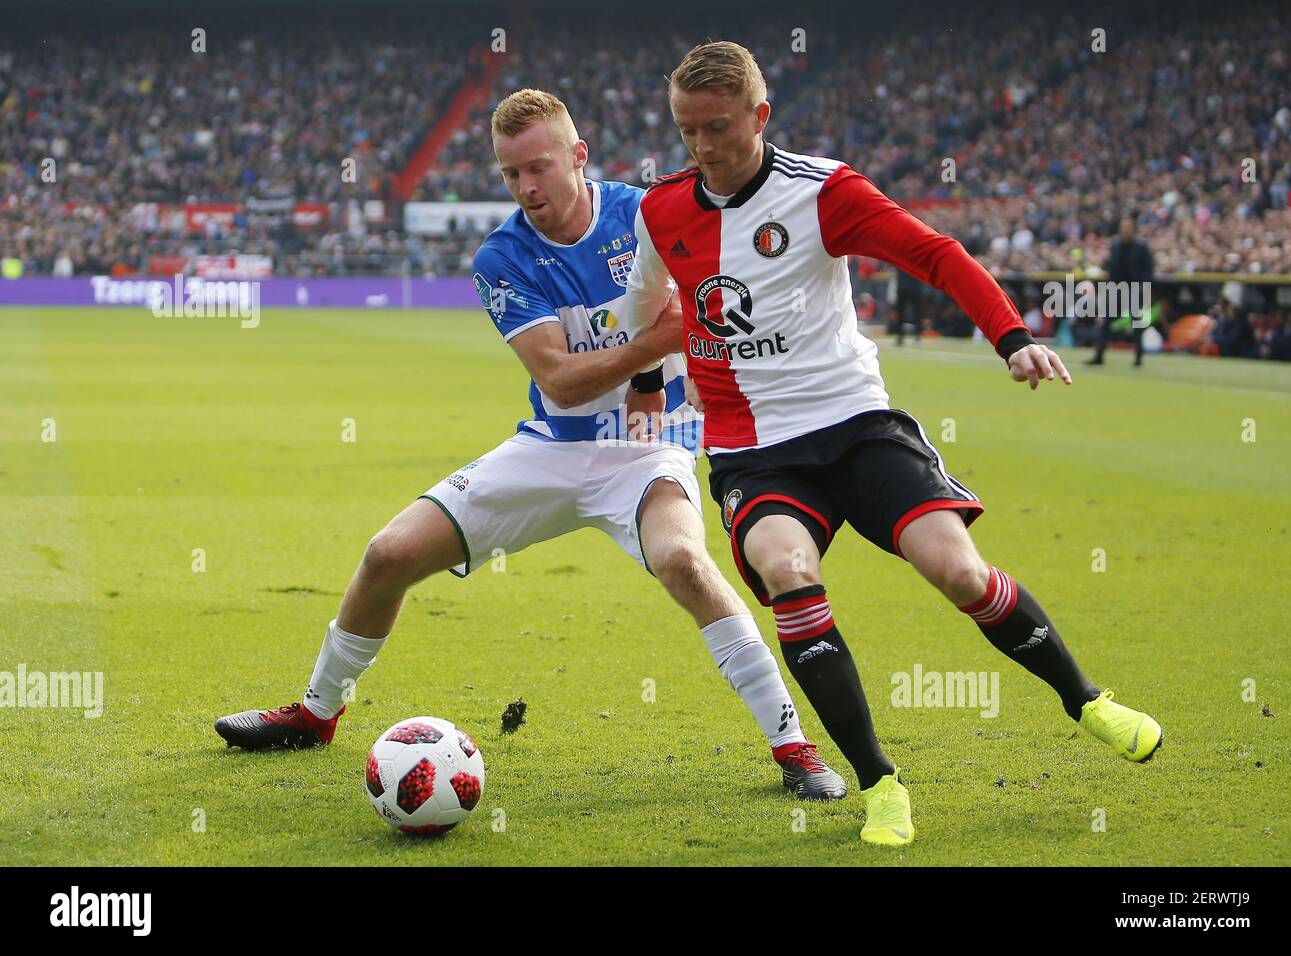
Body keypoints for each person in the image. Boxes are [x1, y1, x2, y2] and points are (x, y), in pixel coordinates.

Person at [214, 89, 847, 801]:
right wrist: (659, 342)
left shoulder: (647, 214)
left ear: (578, 156)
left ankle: (793, 745)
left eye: (538, 168)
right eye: (510, 174)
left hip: (650, 445)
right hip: (552, 444)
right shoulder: (503, 256)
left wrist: (676, 360)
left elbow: (712, 306)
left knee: (682, 561)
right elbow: (564, 381)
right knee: (388, 553)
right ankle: (317, 712)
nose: (526, 188)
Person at [623, 41, 1163, 845]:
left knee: (958, 571)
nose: (702, 148)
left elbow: (935, 255)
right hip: (753, 450)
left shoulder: (826, 191)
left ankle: (1087, 700)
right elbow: (651, 301)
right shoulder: (661, 208)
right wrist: (650, 380)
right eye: (686, 130)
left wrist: (1011, 337)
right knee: (788, 571)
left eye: (718, 128)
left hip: (857, 425)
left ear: (761, 117)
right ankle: (879, 782)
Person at [1088, 215, 1154, 366]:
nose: (1125, 230)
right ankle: (1099, 355)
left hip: (1134, 289)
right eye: (1123, 227)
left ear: (1133, 229)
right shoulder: (1115, 245)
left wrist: (1143, 287)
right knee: (1106, 324)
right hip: (1117, 289)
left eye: (1128, 227)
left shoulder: (1141, 247)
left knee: (1136, 325)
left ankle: (1138, 357)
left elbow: (1148, 270)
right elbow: (1112, 268)